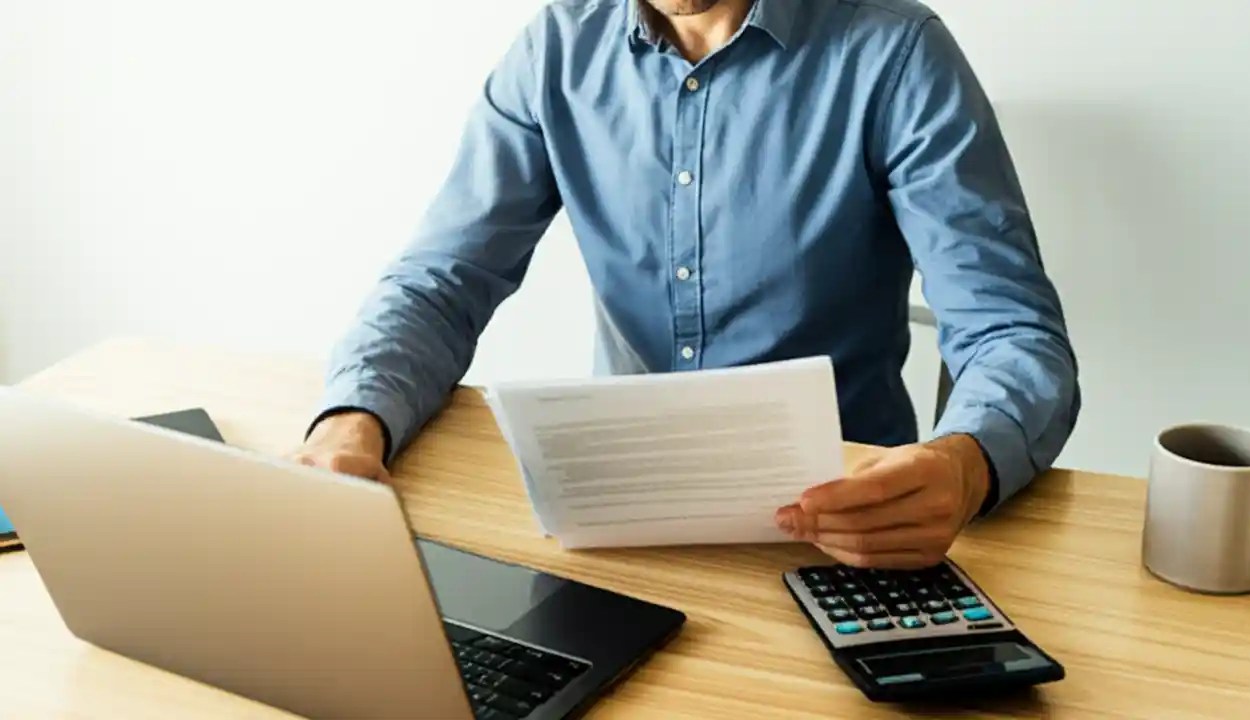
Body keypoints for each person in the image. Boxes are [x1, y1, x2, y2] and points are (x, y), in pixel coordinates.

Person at [293, 0, 1080, 570]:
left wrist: (964, 464)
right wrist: (352, 422)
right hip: (614, 519)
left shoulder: (897, 52)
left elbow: (1012, 333)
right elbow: (443, 281)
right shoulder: (557, 48)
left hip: (841, 532)